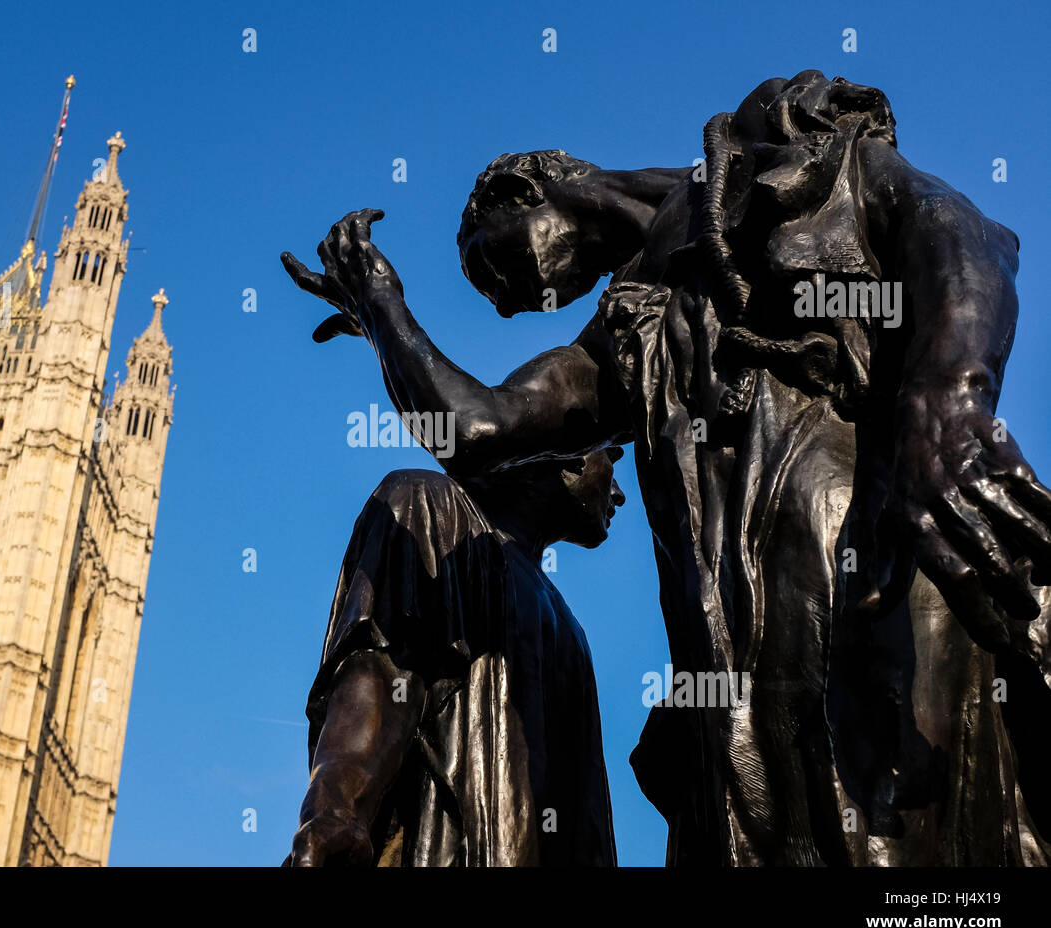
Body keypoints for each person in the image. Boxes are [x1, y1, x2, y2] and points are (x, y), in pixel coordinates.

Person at [282, 70, 1051, 865]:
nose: (510, 304)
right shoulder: (624, 322)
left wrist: (949, 399)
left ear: (527, 189)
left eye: (493, 267)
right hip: (729, 621)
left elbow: (963, 235)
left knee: (894, 830)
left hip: (858, 551)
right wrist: (383, 312)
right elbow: (481, 427)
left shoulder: (785, 149)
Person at [287, 447, 624, 866]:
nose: (620, 492)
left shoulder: (571, 631)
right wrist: (336, 808)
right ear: (572, 453)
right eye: (613, 457)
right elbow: (381, 672)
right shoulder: (429, 505)